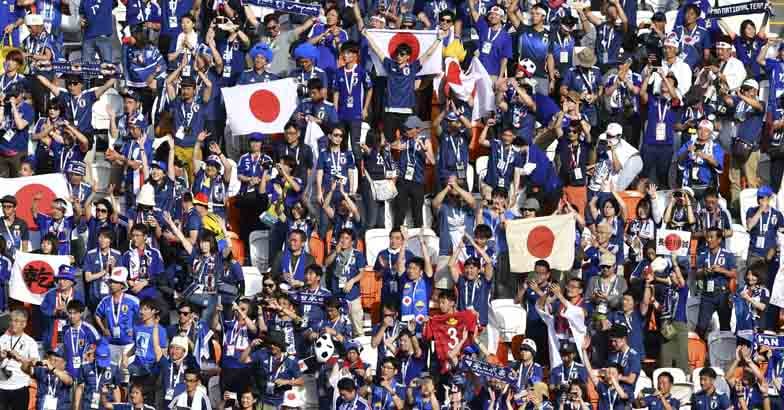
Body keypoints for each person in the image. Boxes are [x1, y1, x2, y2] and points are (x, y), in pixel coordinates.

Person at [0, 310, 40, 410]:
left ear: (24, 324)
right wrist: (1, 357)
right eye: (11, 320)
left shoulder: (30, 342)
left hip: (20, 387)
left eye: (16, 321)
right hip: (2, 386)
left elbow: (35, 363)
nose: (12, 323)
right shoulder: (2, 338)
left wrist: (19, 357)